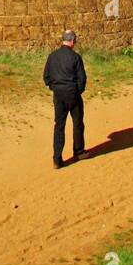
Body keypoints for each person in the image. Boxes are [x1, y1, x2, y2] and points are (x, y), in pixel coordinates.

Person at [43, 29, 87, 169]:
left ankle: (57, 159)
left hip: (59, 95)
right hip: (73, 94)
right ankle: (78, 152)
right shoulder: (75, 57)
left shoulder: (52, 56)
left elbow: (47, 77)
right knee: (77, 123)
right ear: (73, 41)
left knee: (59, 126)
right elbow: (82, 79)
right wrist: (76, 91)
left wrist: (55, 88)